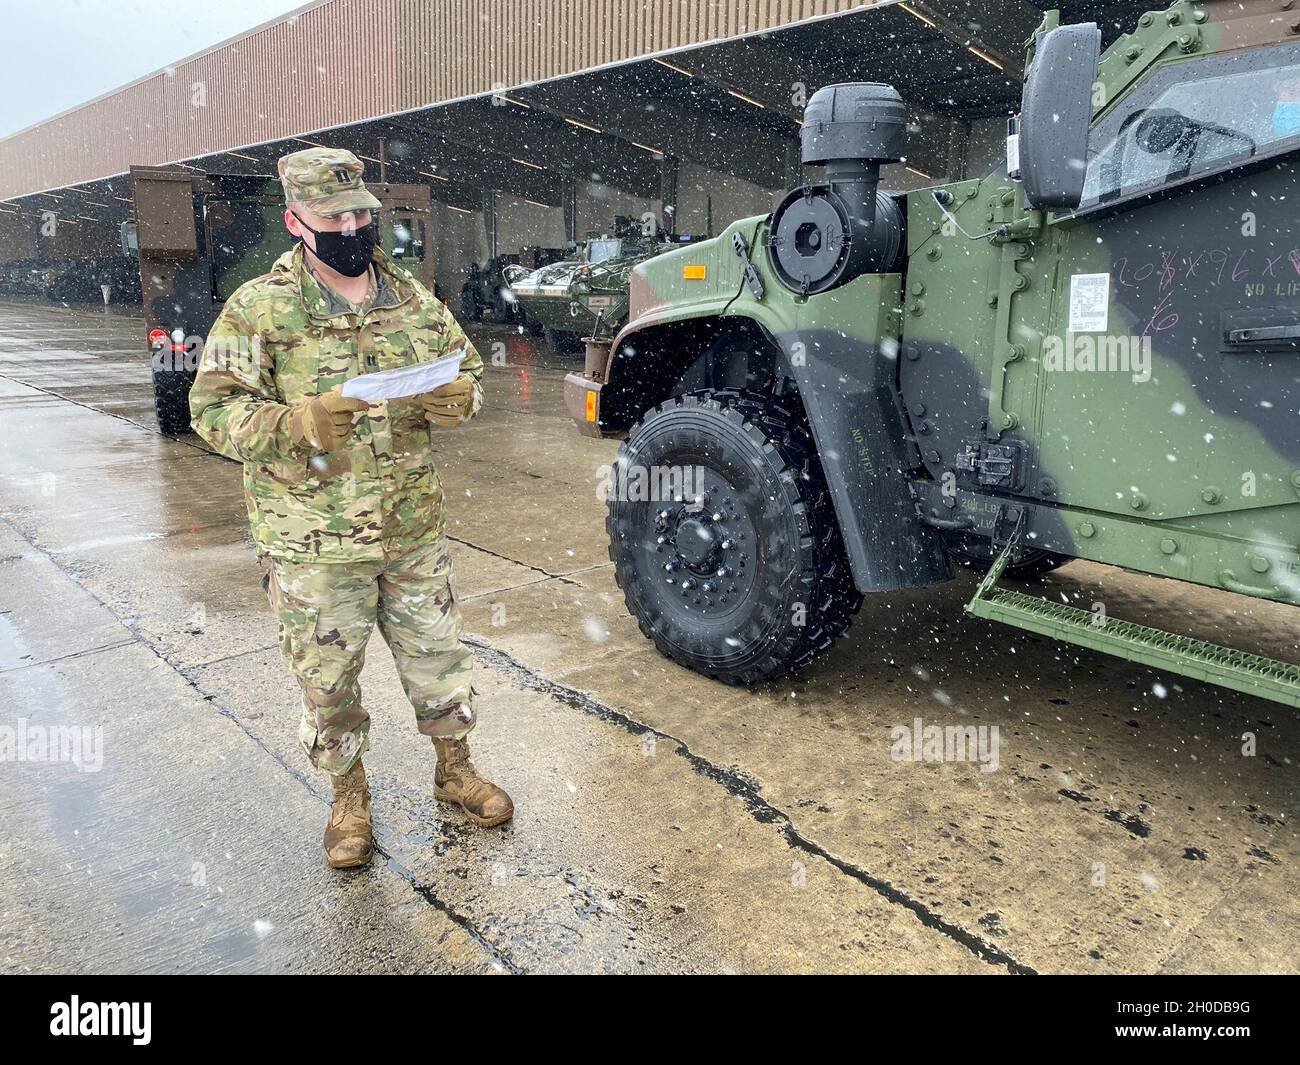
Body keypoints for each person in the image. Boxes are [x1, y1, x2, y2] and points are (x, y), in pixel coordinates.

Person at [190, 147, 513, 870]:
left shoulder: (410, 298)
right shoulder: (259, 309)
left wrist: (460, 398)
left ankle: (454, 770)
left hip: (410, 529)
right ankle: (350, 798)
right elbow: (211, 412)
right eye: (335, 215)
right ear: (295, 222)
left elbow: (465, 371)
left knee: (439, 660)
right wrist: (294, 423)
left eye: (362, 212)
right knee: (329, 682)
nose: (353, 225)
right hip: (313, 542)